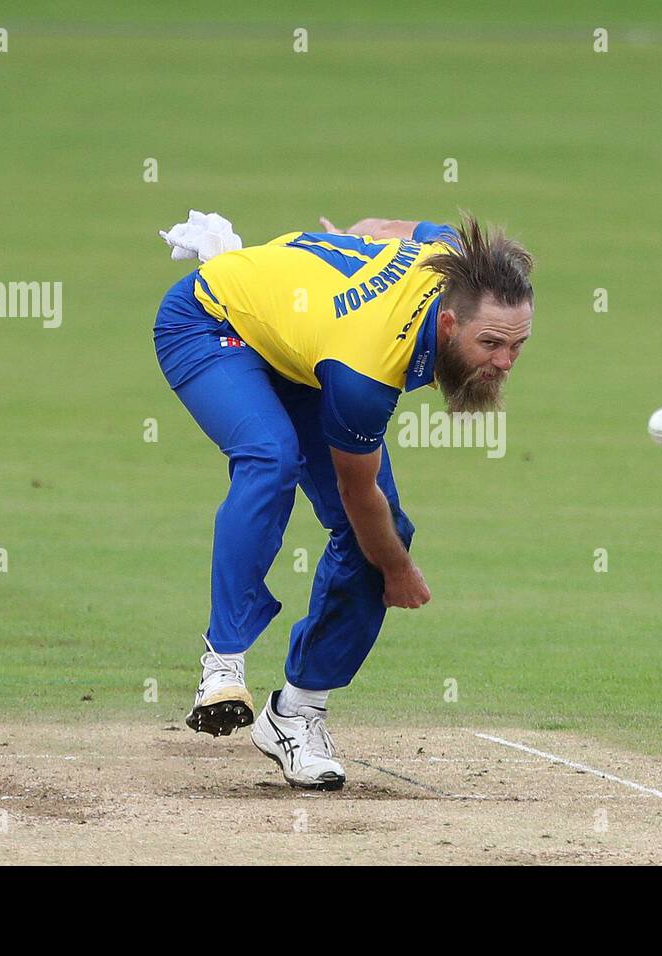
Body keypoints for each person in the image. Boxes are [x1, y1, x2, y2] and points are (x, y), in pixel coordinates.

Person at [153, 211, 534, 790]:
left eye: (518, 345)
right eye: (491, 343)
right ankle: (222, 665)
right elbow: (358, 495)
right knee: (272, 458)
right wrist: (398, 571)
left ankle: (296, 714)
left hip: (309, 350)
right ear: (448, 322)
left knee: (382, 536)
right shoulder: (367, 372)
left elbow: (383, 224)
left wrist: (349, 248)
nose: (505, 363)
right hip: (211, 322)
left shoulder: (452, 258)